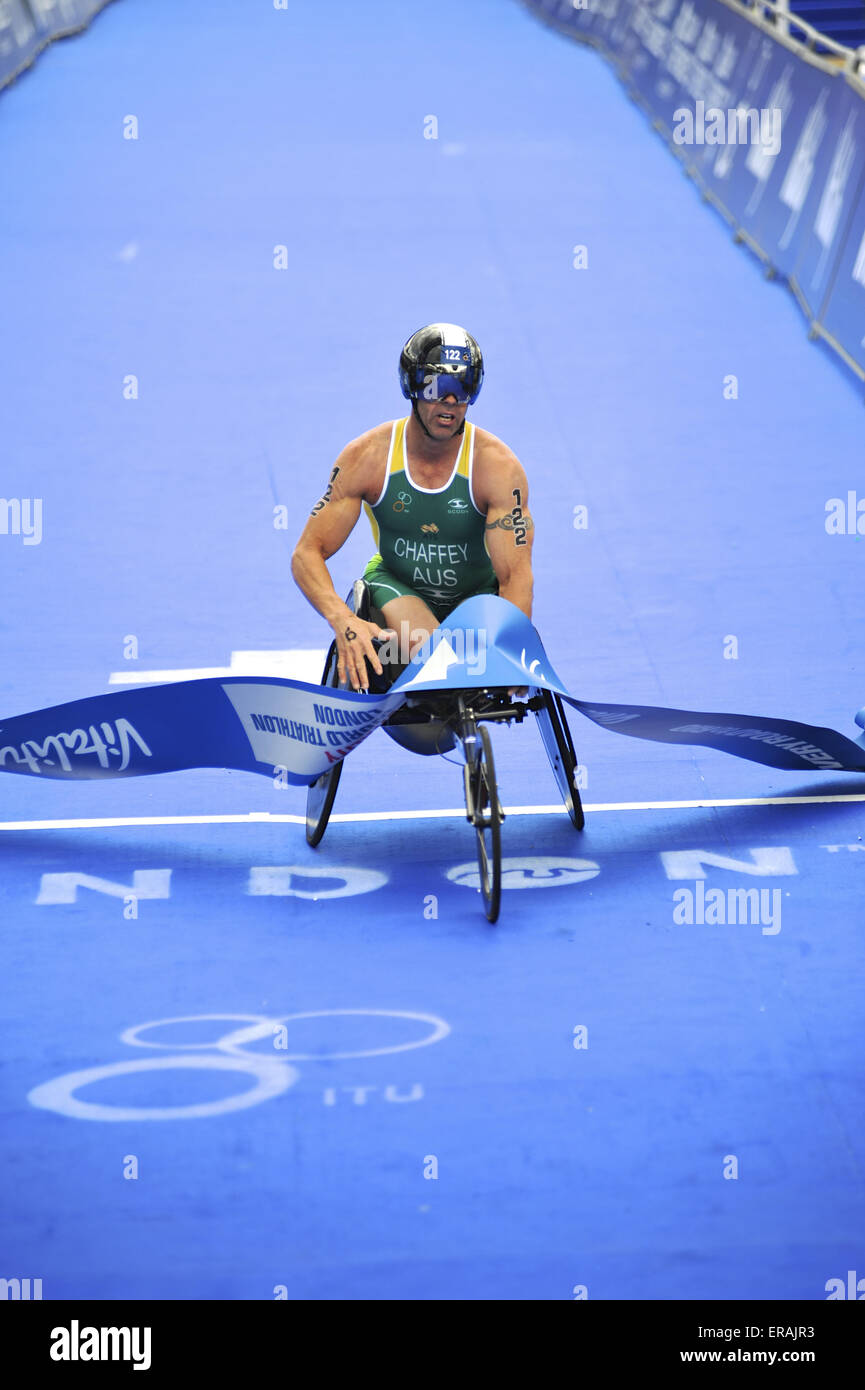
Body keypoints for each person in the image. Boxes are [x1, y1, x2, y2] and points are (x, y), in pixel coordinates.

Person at [291, 323, 534, 691]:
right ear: (412, 387)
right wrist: (343, 620)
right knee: (435, 655)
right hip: (400, 587)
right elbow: (307, 553)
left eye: (464, 388)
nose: (451, 403)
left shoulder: (498, 468)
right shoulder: (367, 458)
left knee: (463, 660)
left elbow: (515, 577)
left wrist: (513, 654)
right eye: (438, 388)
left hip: (475, 597)